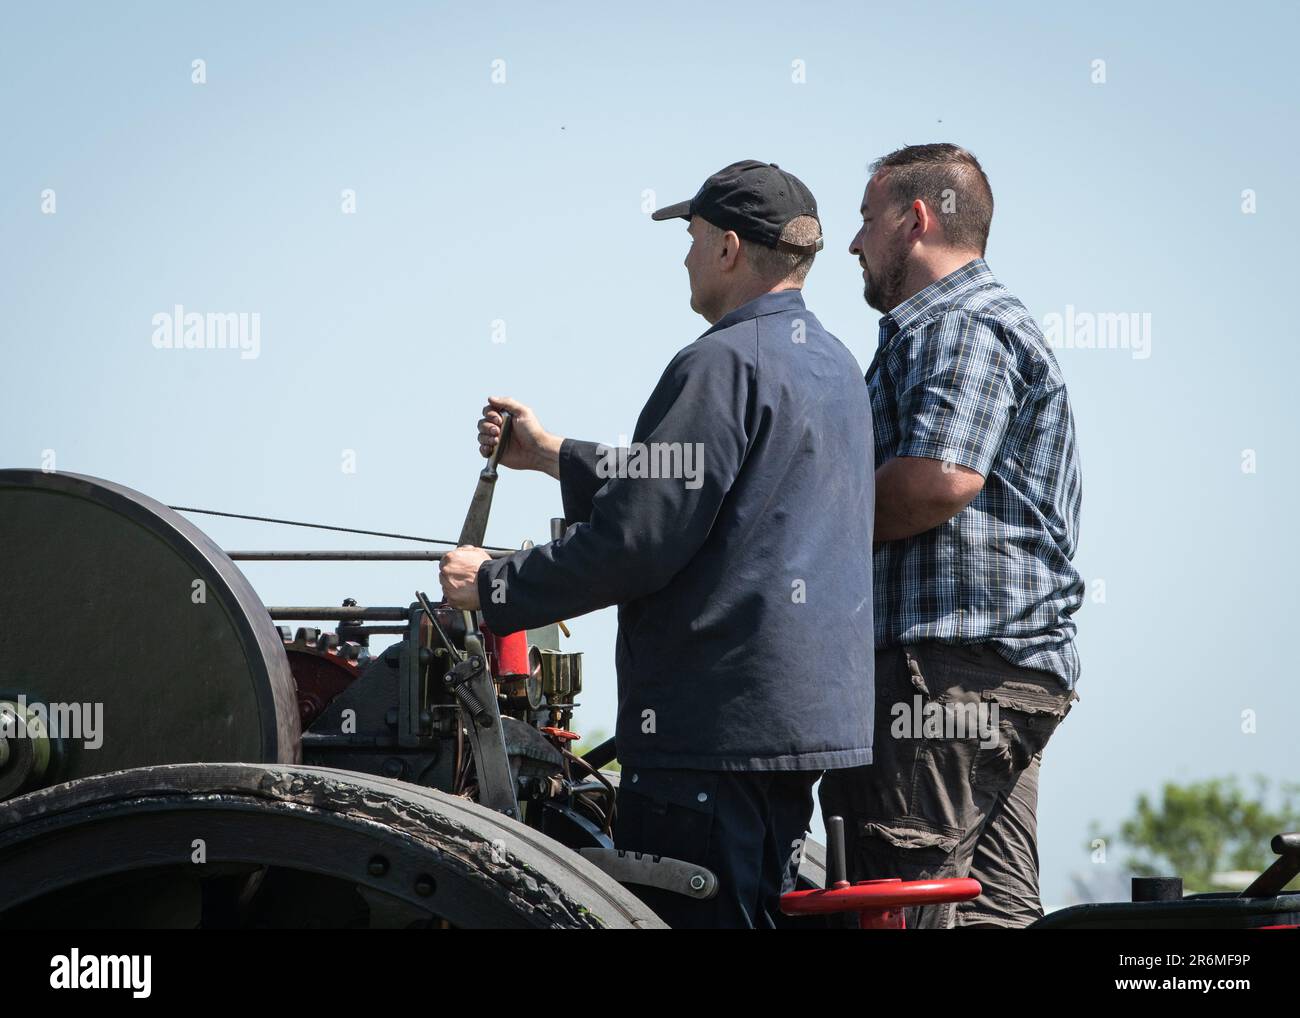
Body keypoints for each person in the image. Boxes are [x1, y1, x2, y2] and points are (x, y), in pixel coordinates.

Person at [440, 160, 875, 928]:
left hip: (706, 740)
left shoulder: (718, 362)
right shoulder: (832, 364)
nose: (683, 255)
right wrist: (552, 455)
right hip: (790, 733)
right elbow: (705, 486)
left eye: (692, 236)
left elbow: (641, 539)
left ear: (729, 249)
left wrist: (497, 585)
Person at [819, 143, 1084, 928]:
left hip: (944, 674)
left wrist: (794, 537)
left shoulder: (956, 322)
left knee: (899, 902)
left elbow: (940, 480)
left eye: (866, 222)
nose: (854, 244)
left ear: (916, 218)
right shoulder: (971, 322)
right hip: (997, 679)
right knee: (991, 916)